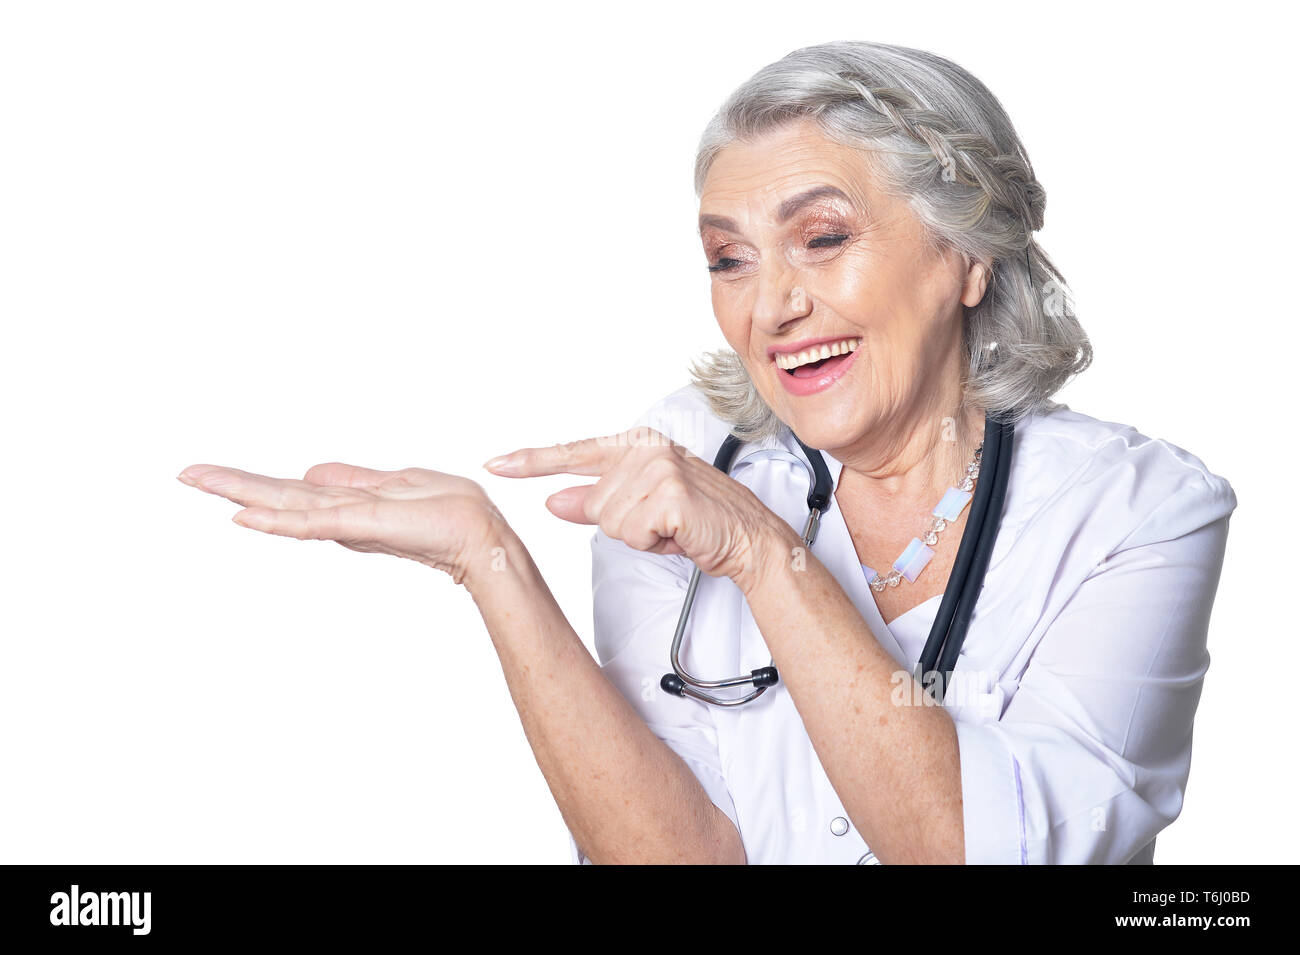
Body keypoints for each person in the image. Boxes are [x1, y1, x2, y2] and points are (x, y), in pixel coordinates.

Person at [177, 41, 1237, 864]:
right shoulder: (683, 454)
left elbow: (975, 848)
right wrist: (488, 562)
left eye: (822, 238)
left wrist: (761, 554)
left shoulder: (1137, 512)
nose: (771, 303)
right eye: (730, 258)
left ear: (966, 252)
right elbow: (676, 855)